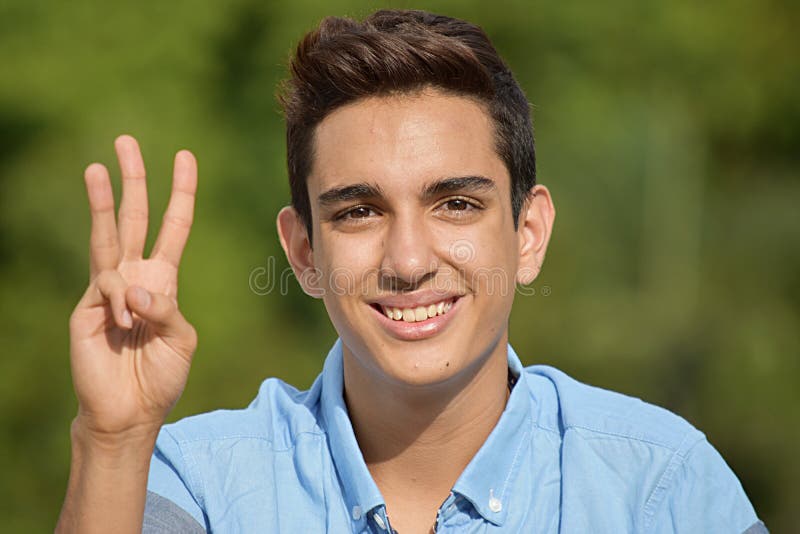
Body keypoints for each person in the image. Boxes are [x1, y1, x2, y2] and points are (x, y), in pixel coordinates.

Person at [56, 9, 766, 534]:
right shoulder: (201, 484)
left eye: (455, 204)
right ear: (303, 252)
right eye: (359, 212)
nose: (409, 261)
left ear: (527, 232)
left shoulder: (657, 487)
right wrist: (113, 441)